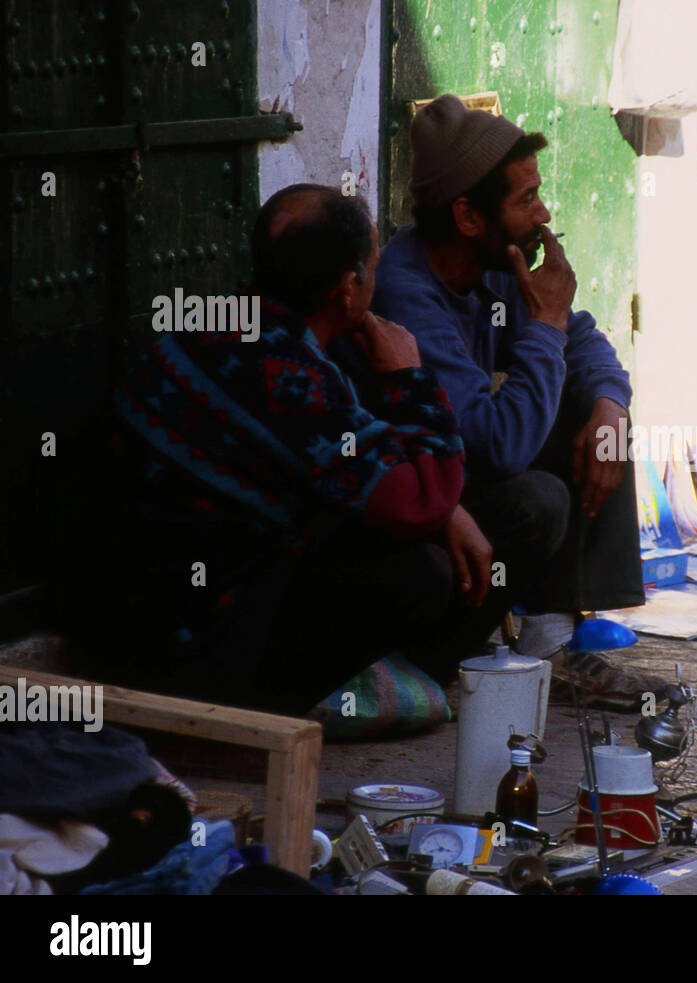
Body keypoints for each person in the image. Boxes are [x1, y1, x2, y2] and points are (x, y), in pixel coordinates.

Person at [64, 184, 566, 715]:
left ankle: (378, 678)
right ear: (348, 288)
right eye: (371, 268)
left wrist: (445, 511)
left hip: (128, 618)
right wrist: (410, 379)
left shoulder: (211, 327)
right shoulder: (289, 375)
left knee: (517, 507)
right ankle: (293, 709)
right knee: (421, 574)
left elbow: (361, 469)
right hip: (182, 654)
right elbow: (420, 495)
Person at [352, 94, 665, 709]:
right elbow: (495, 446)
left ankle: (553, 640)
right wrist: (545, 325)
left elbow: (583, 341)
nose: (544, 212)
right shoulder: (407, 293)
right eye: (526, 200)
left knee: (596, 411)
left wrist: (610, 407)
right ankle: (456, 659)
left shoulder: (498, 266)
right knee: (536, 496)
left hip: (459, 480)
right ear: (468, 217)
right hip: (417, 507)